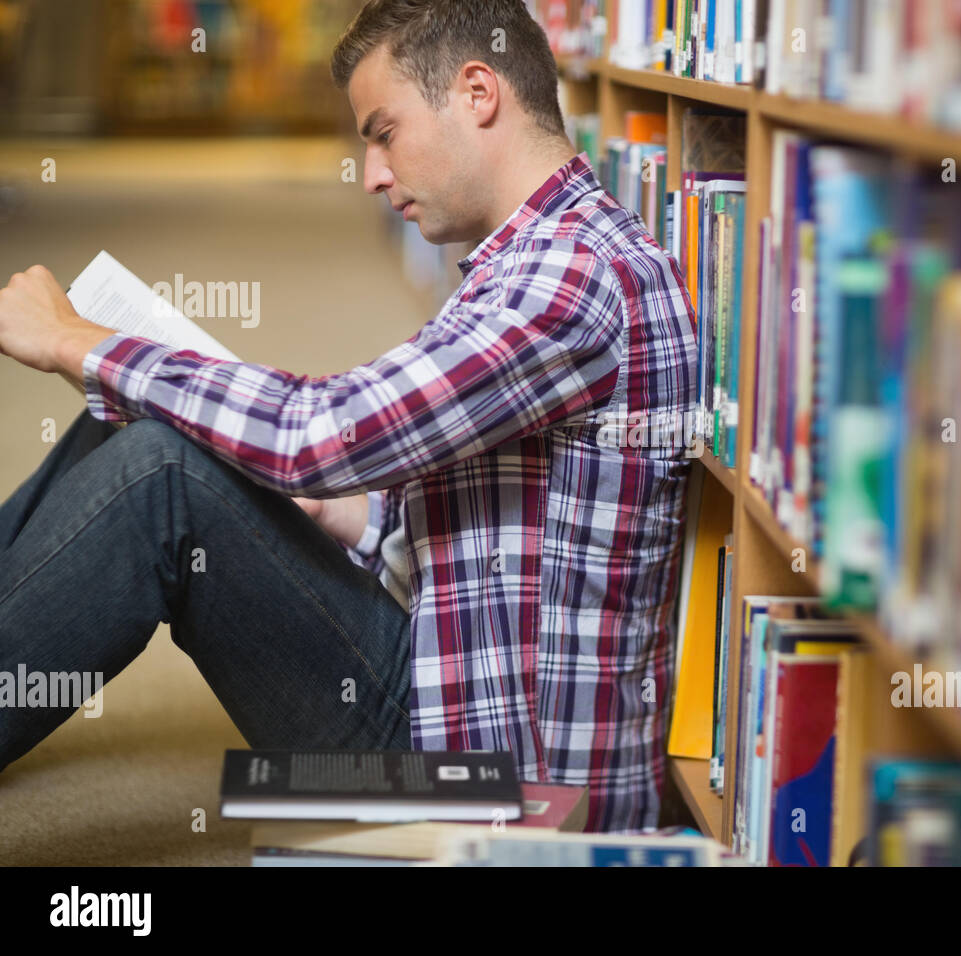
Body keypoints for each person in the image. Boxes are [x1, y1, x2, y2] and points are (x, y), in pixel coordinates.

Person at [0, 0, 697, 834]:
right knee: (138, 420)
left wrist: (78, 342)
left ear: (478, 92)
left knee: (163, 475)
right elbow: (463, 531)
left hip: (485, 776)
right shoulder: (535, 257)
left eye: (383, 132)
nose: (369, 173)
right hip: (445, 676)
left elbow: (318, 436)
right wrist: (327, 512)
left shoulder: (572, 279)